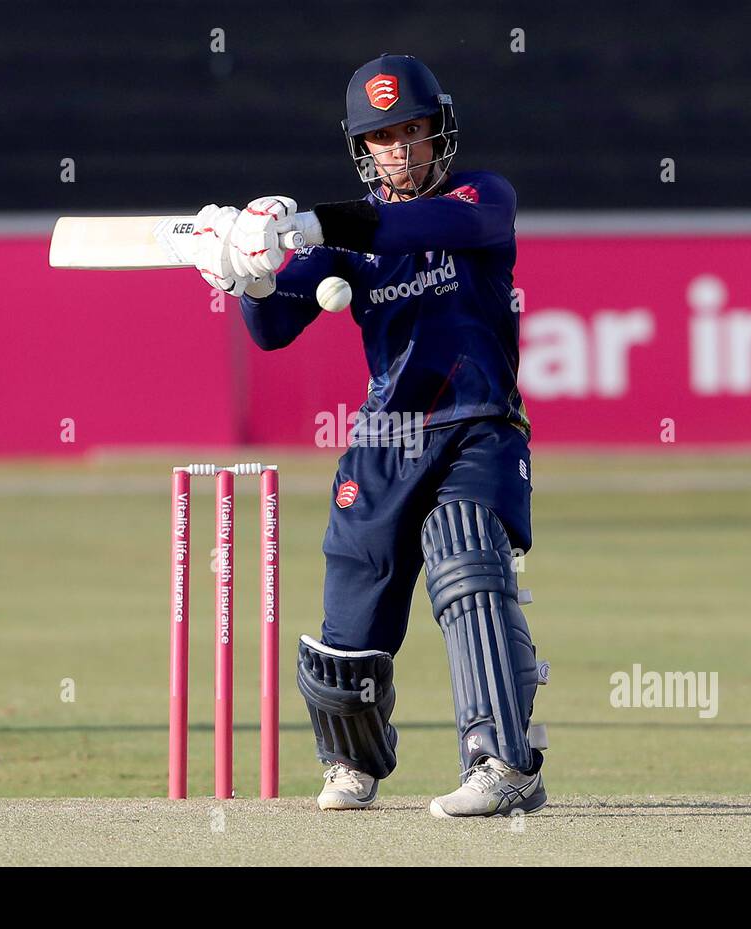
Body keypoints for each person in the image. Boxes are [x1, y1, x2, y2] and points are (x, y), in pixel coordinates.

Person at [190, 54, 548, 818]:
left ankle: (504, 764)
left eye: (413, 131)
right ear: (364, 147)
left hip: (477, 422)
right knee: (351, 604)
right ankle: (351, 762)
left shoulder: (482, 196)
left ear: (439, 130)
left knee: (465, 557)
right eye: (383, 138)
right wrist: (244, 272)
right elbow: (274, 327)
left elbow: (431, 222)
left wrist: (314, 221)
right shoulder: (346, 242)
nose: (402, 151)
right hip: (385, 436)